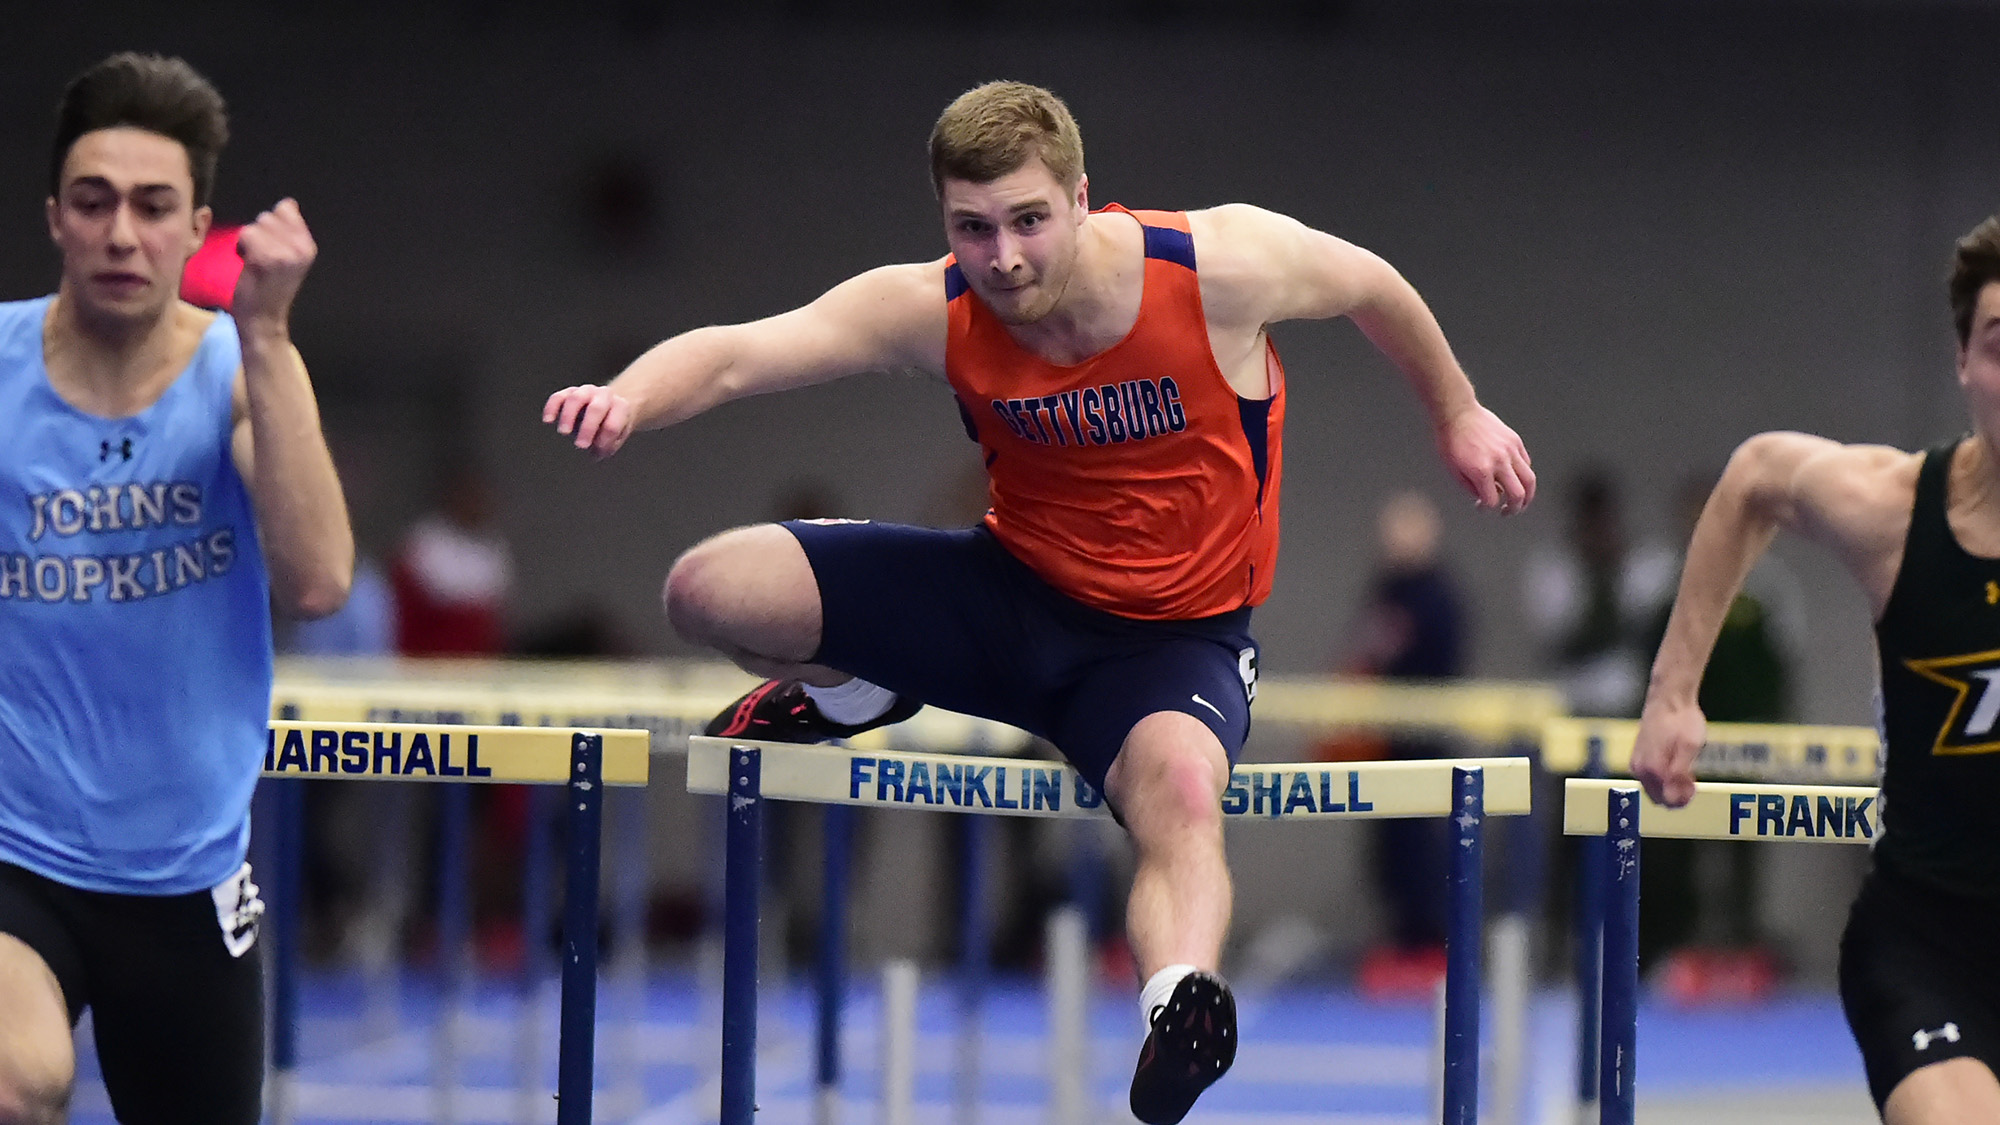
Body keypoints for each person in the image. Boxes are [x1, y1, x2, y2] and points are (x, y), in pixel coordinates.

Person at [545, 81, 1534, 1124]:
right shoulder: (934, 308)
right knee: (706, 590)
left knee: (1183, 801)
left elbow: (1372, 284)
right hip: (1007, 596)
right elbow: (744, 351)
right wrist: (628, 398)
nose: (1003, 258)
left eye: (1026, 221)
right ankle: (854, 692)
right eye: (971, 230)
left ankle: (1178, 1003)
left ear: (1079, 198)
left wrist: (1457, 411)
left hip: (1165, 646)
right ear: (944, 222)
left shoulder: (1214, 269)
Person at [0, 53, 352, 1124]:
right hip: (15, 851)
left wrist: (270, 333)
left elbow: (319, 578)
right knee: (15, 1084)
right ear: (55, 216)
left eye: (153, 209)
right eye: (94, 203)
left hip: (185, 872)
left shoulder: (240, 370)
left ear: (197, 228)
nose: (120, 234)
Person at [1632, 213, 2000, 1123]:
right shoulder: (1895, 513)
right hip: (1929, 948)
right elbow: (1756, 473)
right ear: (1963, 362)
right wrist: (1673, 691)